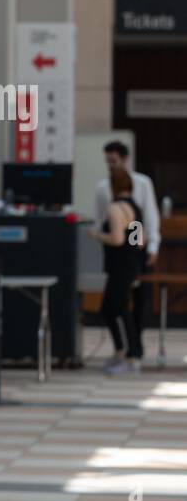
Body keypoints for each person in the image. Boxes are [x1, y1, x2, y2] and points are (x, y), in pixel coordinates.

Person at [94, 140, 159, 365]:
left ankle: (132, 351)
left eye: (113, 160)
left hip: (126, 254)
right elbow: (112, 221)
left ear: (124, 159)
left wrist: (142, 247)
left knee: (132, 305)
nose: (110, 165)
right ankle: (127, 350)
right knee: (117, 306)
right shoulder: (106, 190)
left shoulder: (141, 185)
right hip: (123, 253)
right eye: (108, 161)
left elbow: (145, 221)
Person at [90, 168, 145, 374]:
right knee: (109, 308)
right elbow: (139, 242)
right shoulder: (135, 208)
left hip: (119, 267)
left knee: (119, 310)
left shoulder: (114, 209)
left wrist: (97, 235)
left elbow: (117, 239)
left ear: (112, 187)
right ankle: (122, 351)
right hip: (131, 265)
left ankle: (130, 357)